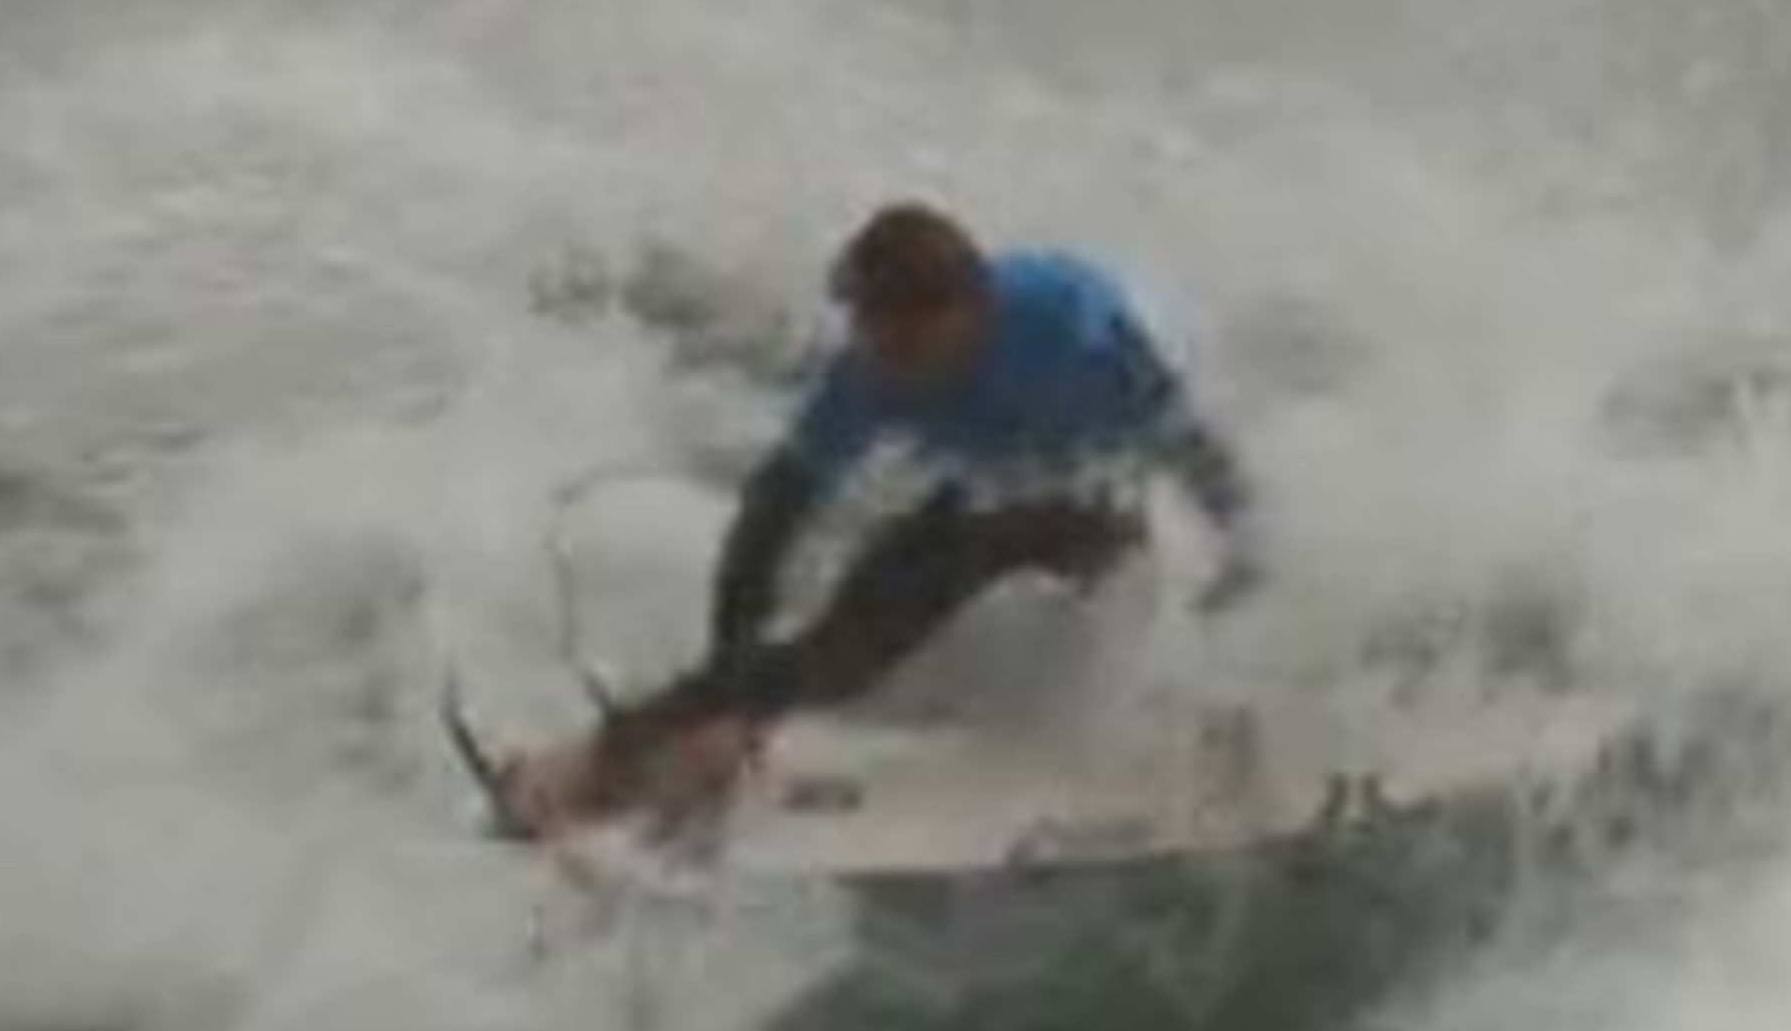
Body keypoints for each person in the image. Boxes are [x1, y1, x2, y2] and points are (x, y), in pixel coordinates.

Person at [506, 202, 1264, 834]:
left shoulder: (1072, 331)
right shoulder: (866, 374)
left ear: (967, 312)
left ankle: (1217, 761)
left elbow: (1187, 441)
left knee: (1125, 629)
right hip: (987, 498)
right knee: (834, 655)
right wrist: (734, 674)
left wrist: (1242, 545)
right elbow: (774, 513)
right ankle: (592, 769)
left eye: (903, 342)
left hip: (1097, 494)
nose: (884, 363)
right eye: (871, 338)